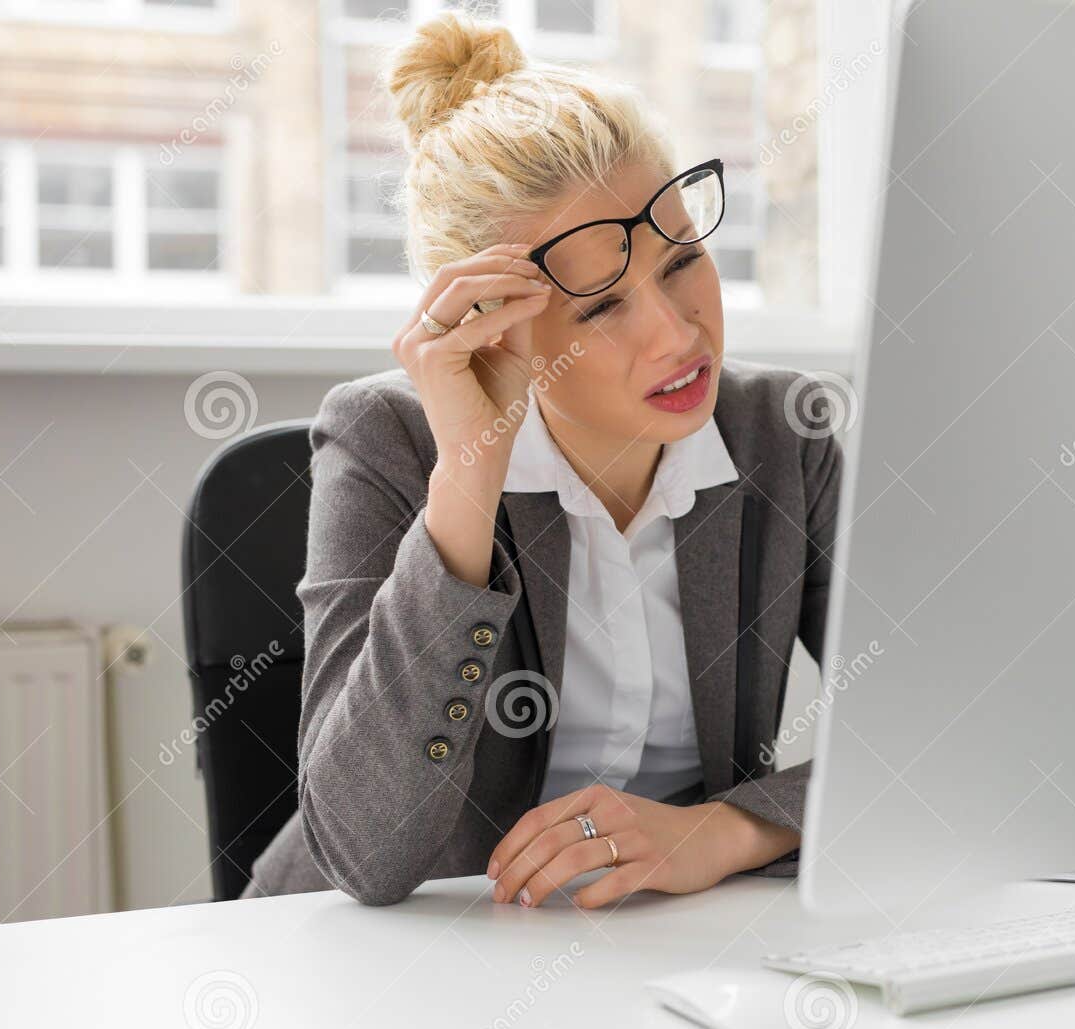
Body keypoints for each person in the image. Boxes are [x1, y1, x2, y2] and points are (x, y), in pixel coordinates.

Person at [244, 10, 841, 909]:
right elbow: (366, 856)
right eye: (600, 308)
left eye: (683, 263)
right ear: (498, 331)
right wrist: (469, 478)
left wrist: (721, 830)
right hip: (398, 964)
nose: (678, 337)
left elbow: (944, 730)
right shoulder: (385, 439)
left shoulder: (783, 436)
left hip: (662, 938)